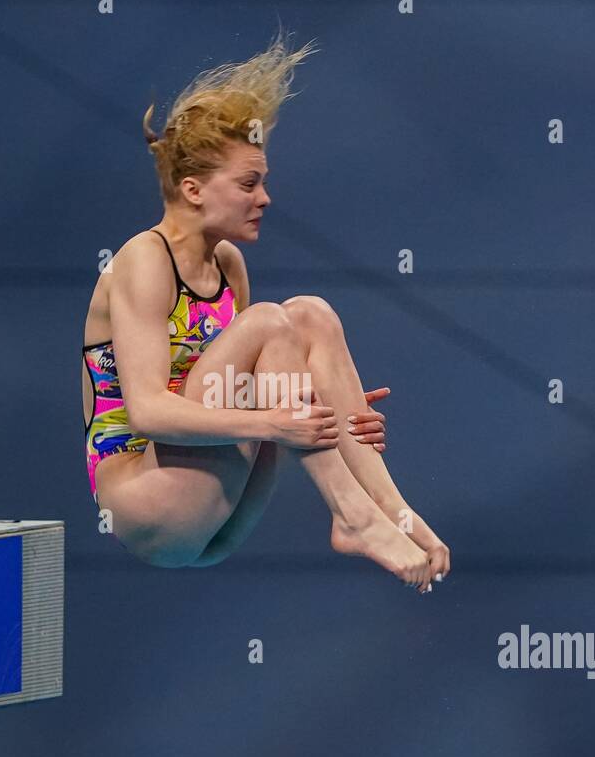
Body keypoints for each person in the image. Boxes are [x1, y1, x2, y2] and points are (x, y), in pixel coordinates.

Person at [81, 31, 449, 593]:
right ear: (194, 188)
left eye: (265, 183)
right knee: (271, 323)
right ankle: (352, 517)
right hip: (146, 501)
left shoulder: (228, 264)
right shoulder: (142, 259)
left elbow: (252, 378)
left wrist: (330, 402)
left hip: (215, 513)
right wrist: (273, 422)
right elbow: (151, 411)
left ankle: (393, 511)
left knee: (310, 315)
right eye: (249, 183)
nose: (265, 199)